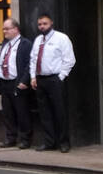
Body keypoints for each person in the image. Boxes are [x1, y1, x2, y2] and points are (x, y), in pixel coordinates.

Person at [29, 12, 75, 152]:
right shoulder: (38, 40)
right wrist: (33, 77)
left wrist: (60, 77)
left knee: (59, 112)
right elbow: (33, 59)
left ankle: (64, 143)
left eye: (45, 24)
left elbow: (69, 59)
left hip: (55, 79)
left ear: (51, 24)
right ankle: (49, 142)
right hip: (40, 80)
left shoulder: (61, 38)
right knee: (45, 113)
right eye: (40, 24)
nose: (42, 26)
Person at [0, 18, 32, 149]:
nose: (4, 31)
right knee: (8, 113)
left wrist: (25, 81)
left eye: (7, 29)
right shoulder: (5, 44)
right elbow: (0, 63)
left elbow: (30, 65)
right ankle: (10, 138)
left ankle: (25, 139)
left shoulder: (25, 44)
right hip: (4, 83)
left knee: (22, 112)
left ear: (16, 29)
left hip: (18, 82)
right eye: (3, 29)